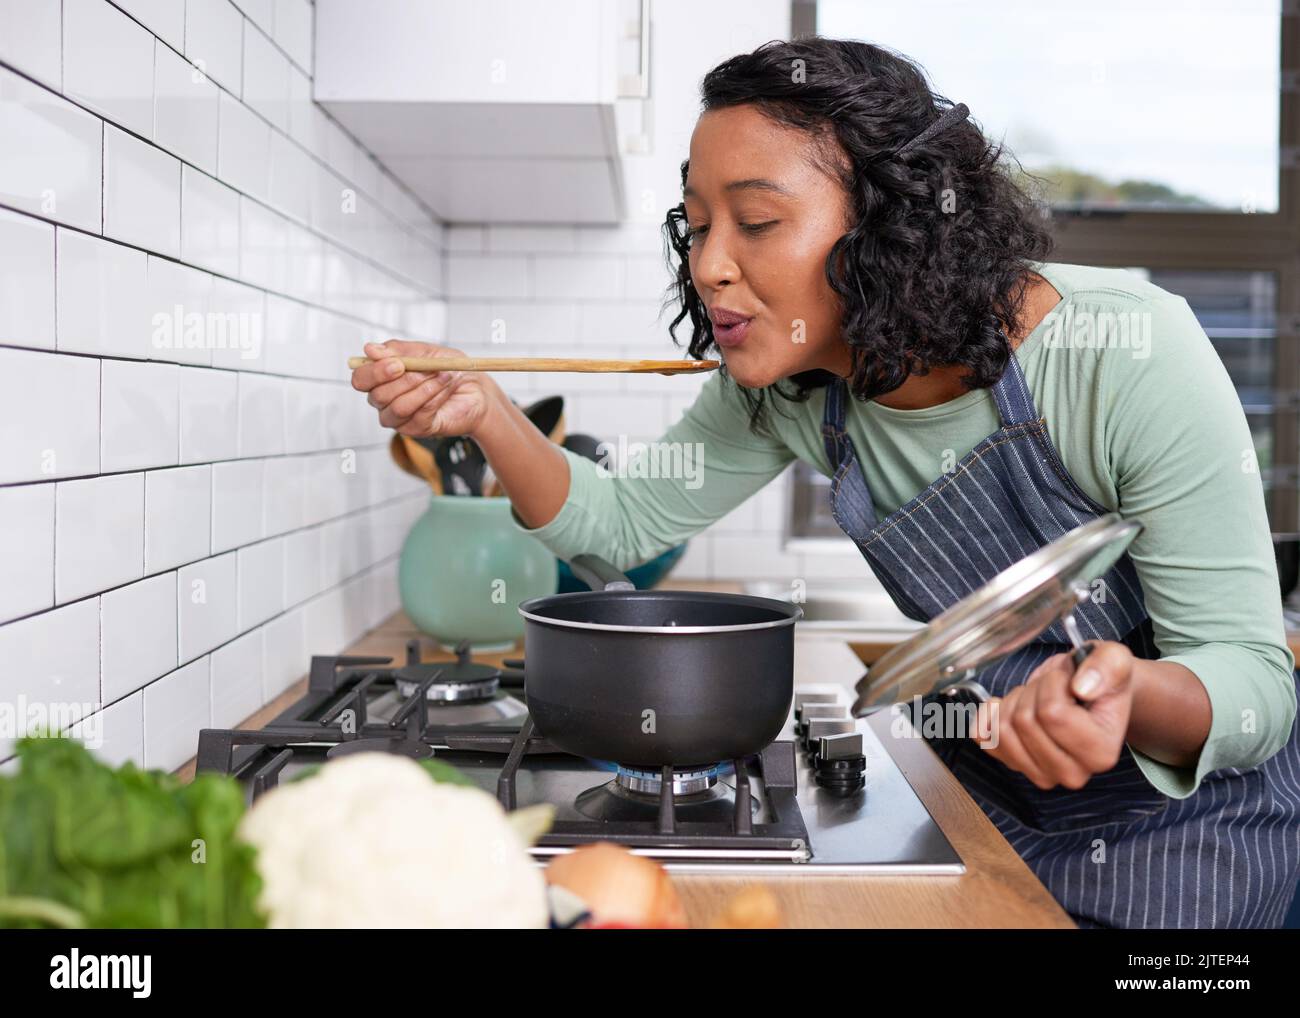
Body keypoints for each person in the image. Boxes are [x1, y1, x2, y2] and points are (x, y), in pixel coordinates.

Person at [350, 37, 1300, 928]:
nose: (710, 264)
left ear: (891, 225)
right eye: (699, 221)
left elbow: (1255, 682)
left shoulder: (1123, 351)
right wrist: (487, 413)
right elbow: (621, 526)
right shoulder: (793, 386)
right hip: (998, 816)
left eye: (756, 221)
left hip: (1194, 846)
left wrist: (1122, 696)